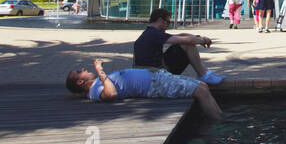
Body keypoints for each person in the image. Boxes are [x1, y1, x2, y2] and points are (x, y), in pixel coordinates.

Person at [65, 58, 222, 119]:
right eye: (80, 71)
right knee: (201, 91)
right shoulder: (94, 91)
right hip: (155, 85)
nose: (83, 69)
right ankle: (218, 123)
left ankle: (219, 116)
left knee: (203, 86)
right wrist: (100, 70)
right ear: (80, 82)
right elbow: (111, 94)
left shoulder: (97, 85)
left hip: (158, 78)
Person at [133, 8, 224, 84]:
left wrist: (199, 37)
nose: (168, 26)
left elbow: (180, 36)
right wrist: (202, 40)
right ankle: (203, 75)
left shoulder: (150, 32)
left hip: (152, 70)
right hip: (154, 74)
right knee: (187, 44)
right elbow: (185, 40)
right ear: (160, 20)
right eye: (168, 22)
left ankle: (204, 73)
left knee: (186, 42)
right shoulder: (154, 33)